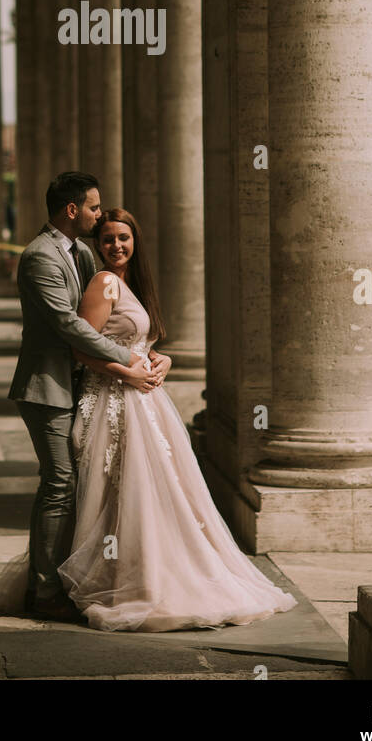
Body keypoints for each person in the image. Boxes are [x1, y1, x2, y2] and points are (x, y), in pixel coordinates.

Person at [56, 208, 297, 631]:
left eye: (123, 238)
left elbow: (133, 339)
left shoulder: (131, 282)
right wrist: (129, 372)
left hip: (143, 398)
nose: (116, 245)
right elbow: (83, 349)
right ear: (98, 244)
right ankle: (125, 579)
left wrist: (157, 357)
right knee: (122, 491)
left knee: (155, 489)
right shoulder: (103, 281)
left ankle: (154, 572)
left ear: (136, 241)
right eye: (108, 238)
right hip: (115, 399)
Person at [6, 172, 155, 621]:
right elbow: (68, 326)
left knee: (83, 484)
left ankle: (76, 578)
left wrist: (150, 353)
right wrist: (129, 358)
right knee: (59, 484)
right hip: (46, 388)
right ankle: (44, 592)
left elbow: (105, 318)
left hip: (80, 384)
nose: (98, 213)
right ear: (72, 210)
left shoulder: (82, 253)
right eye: (93, 207)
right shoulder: (39, 257)